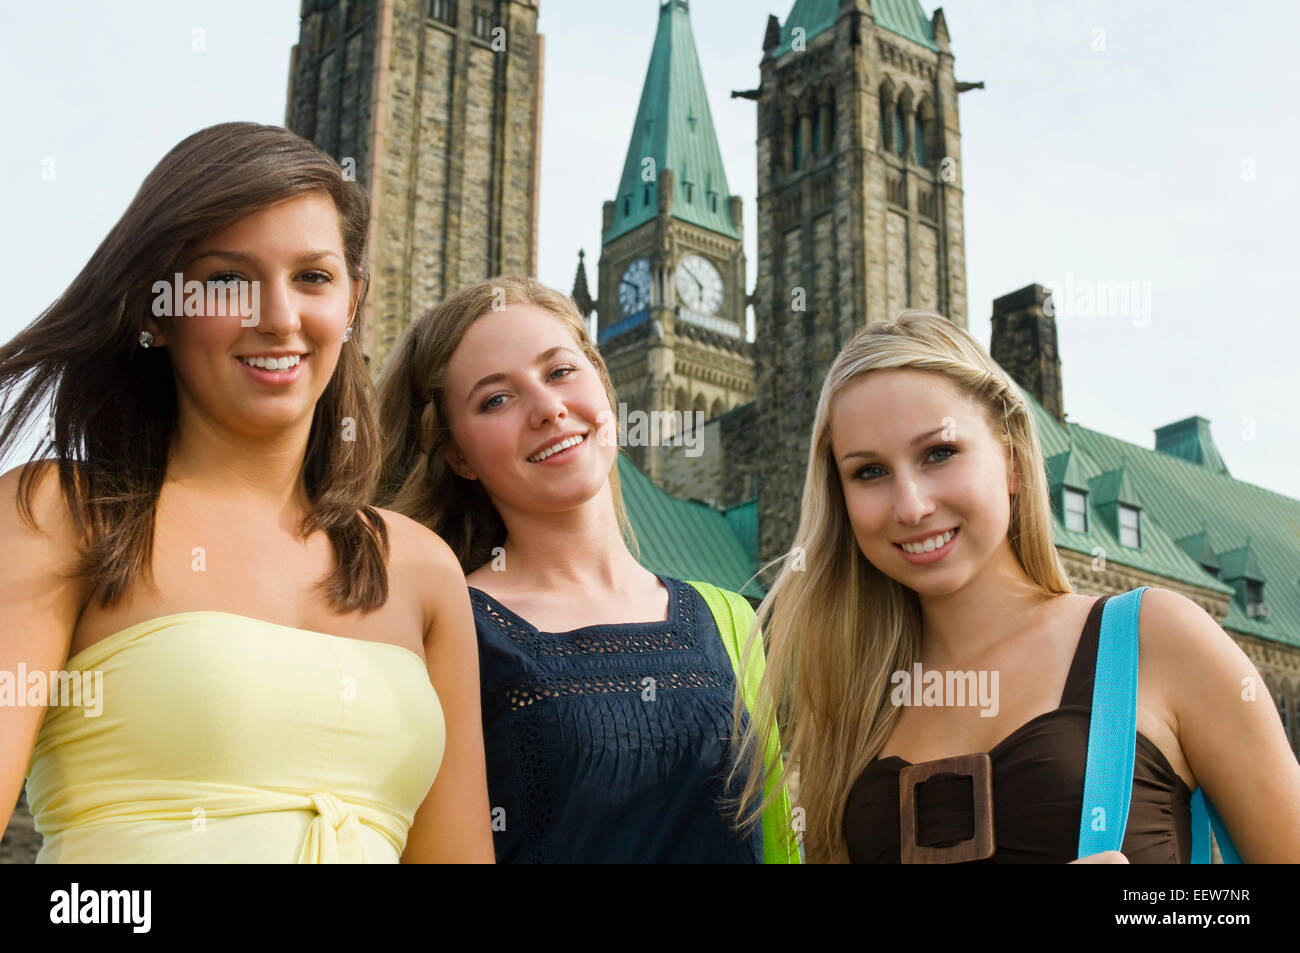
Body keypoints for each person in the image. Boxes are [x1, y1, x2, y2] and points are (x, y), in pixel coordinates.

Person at [0, 121, 493, 863]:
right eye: (228, 279)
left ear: (352, 302)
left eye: (313, 277)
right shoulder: (59, 515)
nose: (279, 317)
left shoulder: (420, 570)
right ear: (153, 309)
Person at [728, 310, 1300, 863]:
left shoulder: (1155, 638)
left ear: (1012, 462)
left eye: (939, 453)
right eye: (870, 472)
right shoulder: (848, 706)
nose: (911, 505)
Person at [374, 276, 796, 863]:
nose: (547, 408)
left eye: (560, 372)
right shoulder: (451, 629)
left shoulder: (728, 617)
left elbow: (774, 842)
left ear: (602, 379)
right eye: (496, 399)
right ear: (457, 455)